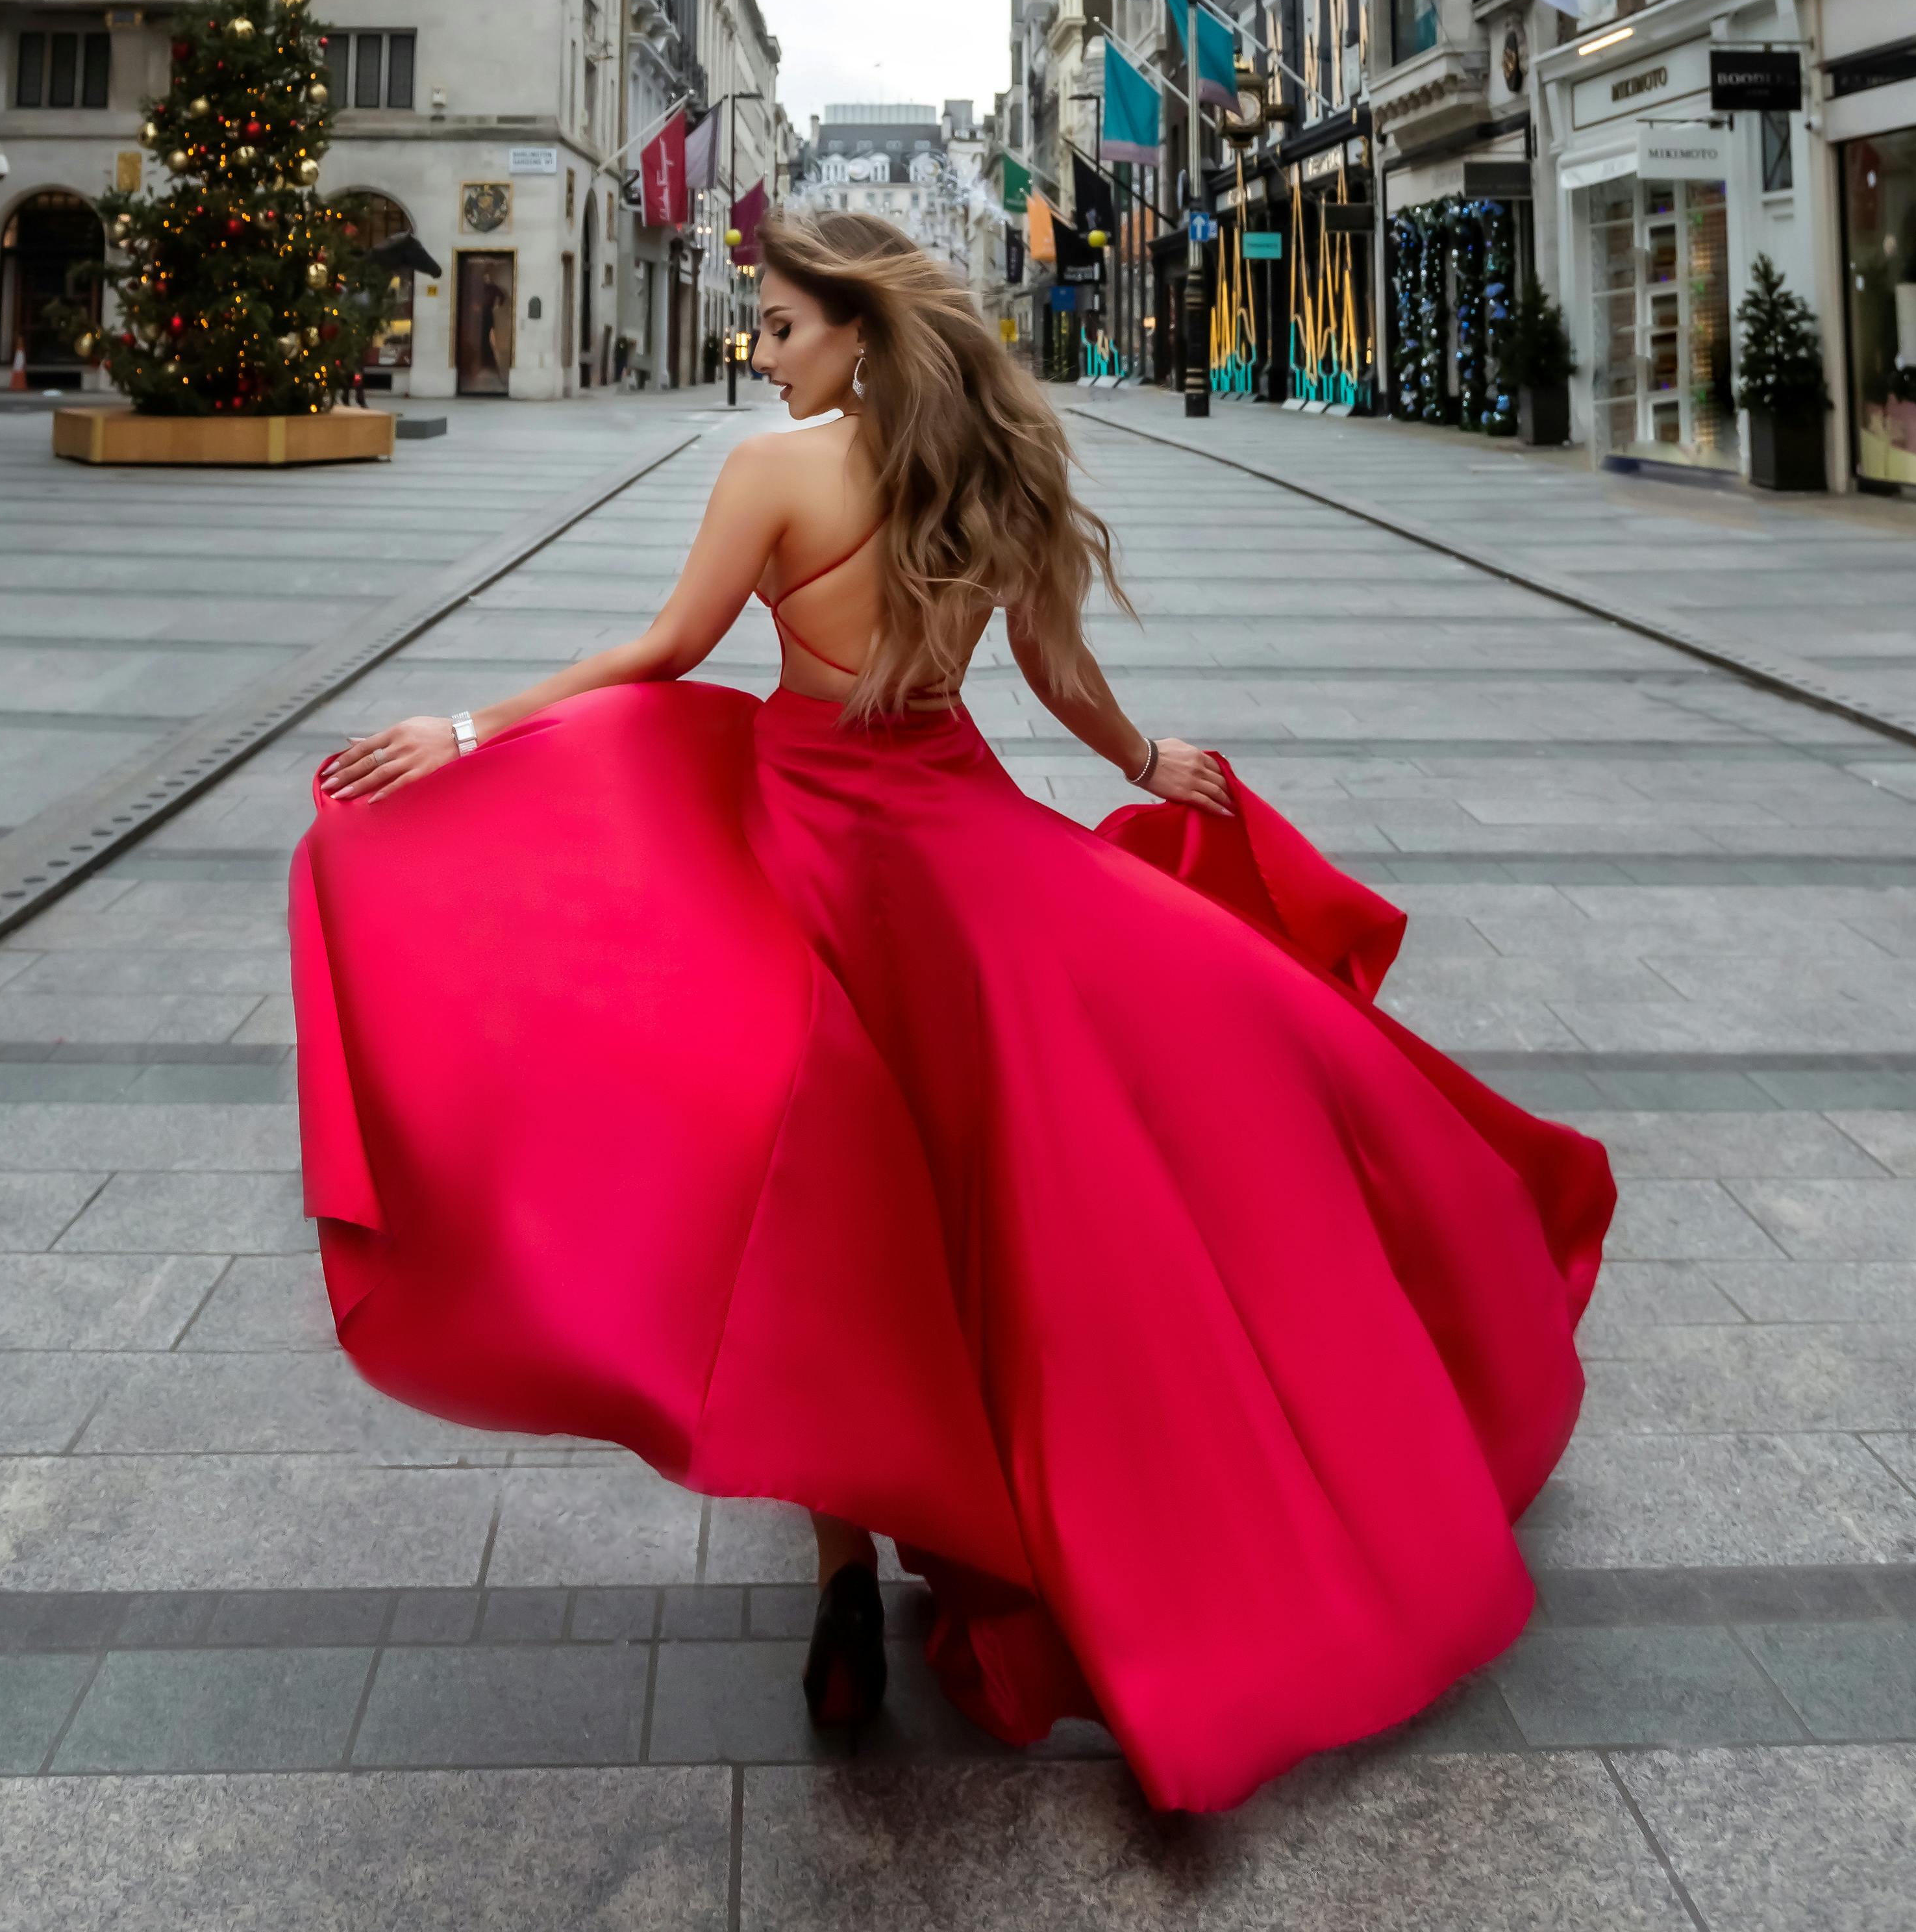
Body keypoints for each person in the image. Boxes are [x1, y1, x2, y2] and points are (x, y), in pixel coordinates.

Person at [297, 211, 1612, 1812]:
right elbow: (1052, 669)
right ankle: (1048, 1515)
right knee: (1021, 1167)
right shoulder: (992, 462)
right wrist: (1141, 762)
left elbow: (666, 652)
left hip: (805, 846)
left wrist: (466, 730)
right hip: (960, 853)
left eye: (783, 325)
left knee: (824, 1201)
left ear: (857, 328)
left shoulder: (772, 476)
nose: (761, 352)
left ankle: (845, 1567)